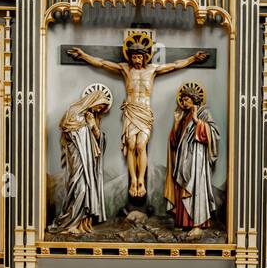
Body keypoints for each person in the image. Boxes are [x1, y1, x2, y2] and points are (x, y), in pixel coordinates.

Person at [67, 32, 208, 212]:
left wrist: (193, 58)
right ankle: (133, 180)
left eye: (139, 56)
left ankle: (141, 180)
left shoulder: (153, 70)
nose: (136, 60)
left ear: (145, 56)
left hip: (144, 112)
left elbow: (174, 65)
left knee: (141, 145)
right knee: (131, 144)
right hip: (131, 111)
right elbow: (102, 63)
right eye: (133, 56)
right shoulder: (125, 69)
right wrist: (84, 56)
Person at [49, 83, 112, 235]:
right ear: (93, 100)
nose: (99, 110)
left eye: (103, 108)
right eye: (99, 106)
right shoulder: (74, 111)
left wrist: (94, 127)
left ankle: (82, 224)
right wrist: (87, 127)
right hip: (77, 157)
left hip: (89, 162)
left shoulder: (93, 117)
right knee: (79, 188)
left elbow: (98, 141)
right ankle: (70, 222)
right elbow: (67, 128)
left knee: (87, 189)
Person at [164, 83, 220, 231]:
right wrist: (176, 123)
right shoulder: (183, 116)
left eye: (186, 99)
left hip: (197, 158)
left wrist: (197, 121)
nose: (183, 103)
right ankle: (184, 222)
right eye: (182, 100)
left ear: (194, 99)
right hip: (183, 158)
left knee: (195, 187)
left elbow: (213, 133)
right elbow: (174, 142)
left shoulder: (203, 113)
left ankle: (198, 224)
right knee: (183, 187)